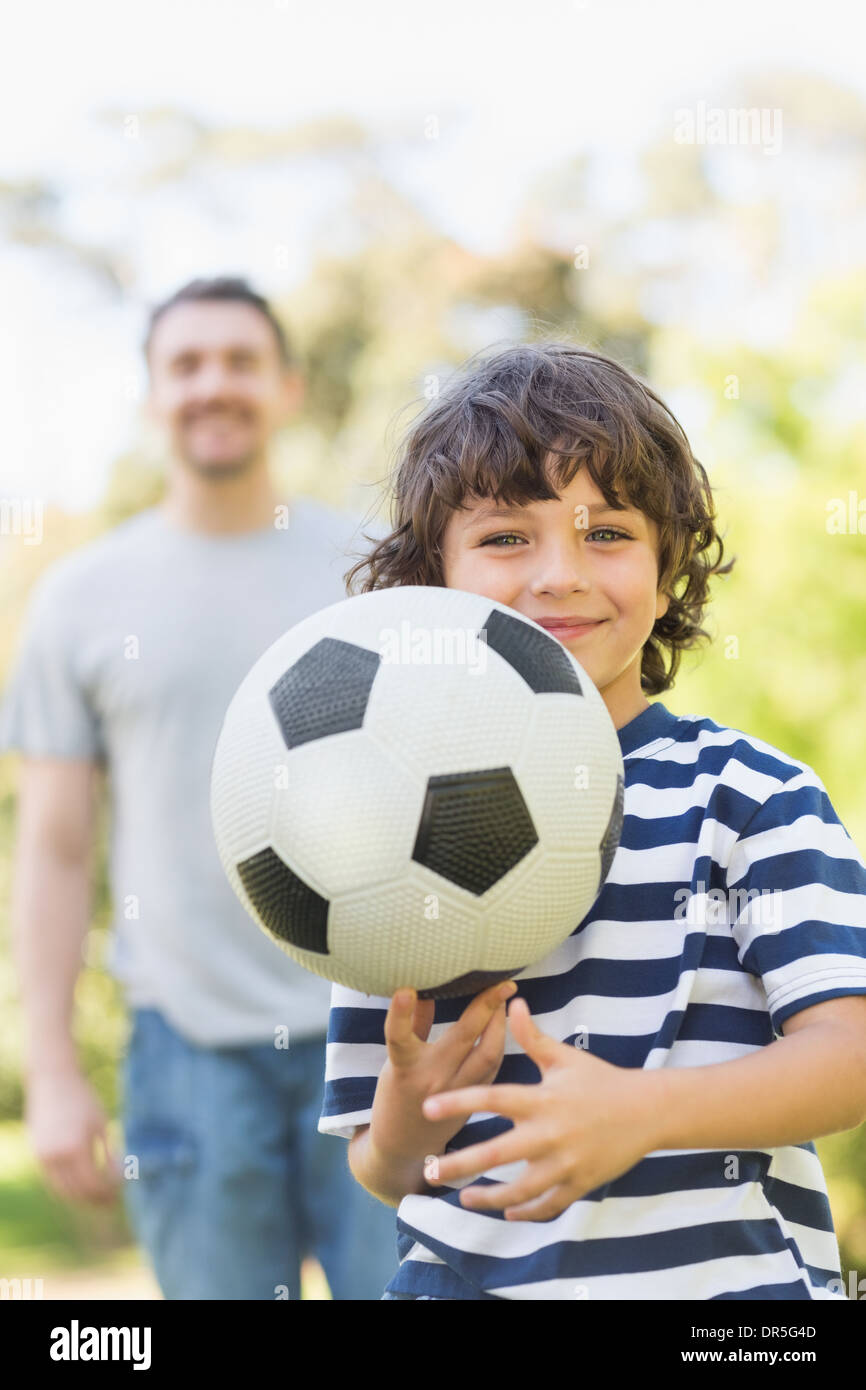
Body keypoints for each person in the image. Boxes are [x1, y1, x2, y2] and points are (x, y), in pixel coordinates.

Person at [317, 341, 866, 1300]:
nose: (559, 574)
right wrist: (411, 1111)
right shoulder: (381, 819)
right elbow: (382, 1168)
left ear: (668, 569)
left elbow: (850, 1056)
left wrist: (643, 1112)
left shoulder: (749, 794)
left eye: (606, 532)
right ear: (433, 578)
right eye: (504, 538)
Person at [1, 276, 398, 1300]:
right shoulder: (82, 597)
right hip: (185, 1054)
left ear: (287, 388)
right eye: (185, 364)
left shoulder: (373, 572)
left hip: (380, 1036)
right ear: (150, 396)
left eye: (237, 361)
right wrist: (49, 1067)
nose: (211, 384)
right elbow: (51, 845)